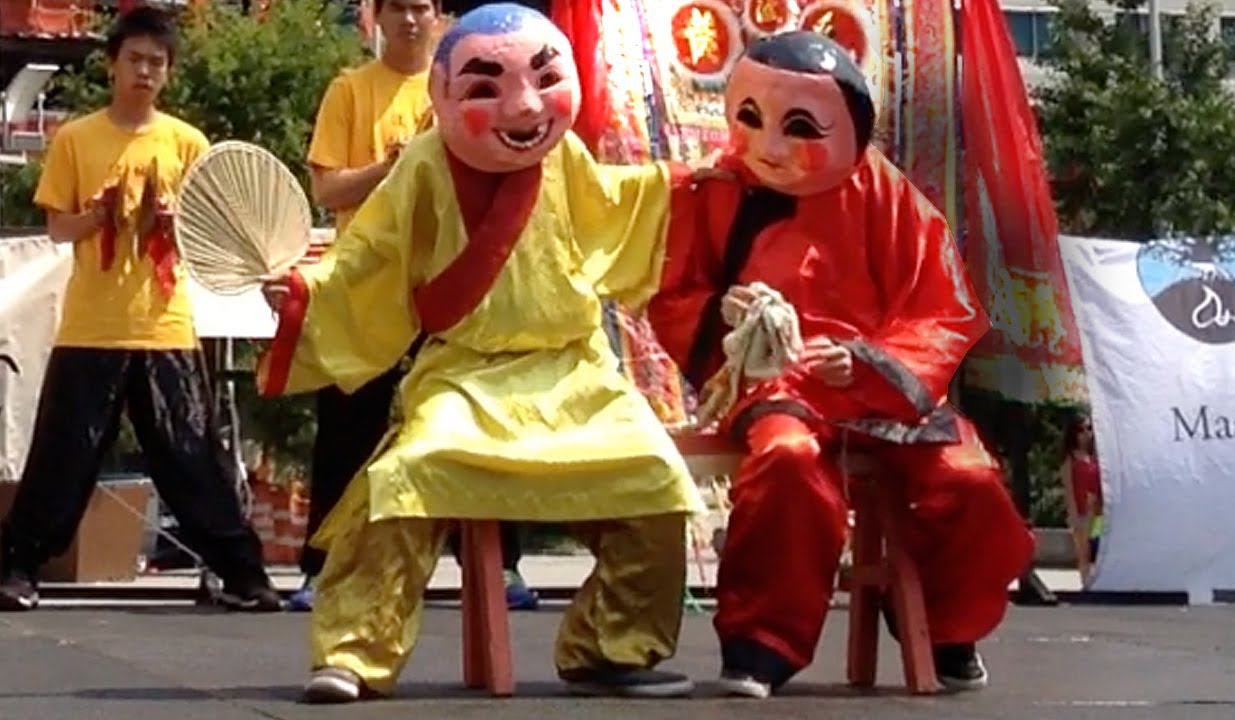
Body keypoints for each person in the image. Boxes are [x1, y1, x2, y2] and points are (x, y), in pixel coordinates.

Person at [257, 4, 706, 703]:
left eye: (543, 78)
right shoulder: (425, 163)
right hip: (465, 377)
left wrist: (690, 187)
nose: (523, 104)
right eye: (486, 86)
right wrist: (302, 294)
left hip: (575, 373)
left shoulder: (565, 154)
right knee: (404, 478)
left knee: (655, 479)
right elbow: (369, 253)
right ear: (444, 93)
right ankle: (354, 652)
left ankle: (608, 647)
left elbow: (615, 207)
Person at [648, 31, 1036, 698]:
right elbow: (674, 294)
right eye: (751, 119)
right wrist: (731, 316)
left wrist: (866, 361)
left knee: (970, 482)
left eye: (798, 129)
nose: (769, 146)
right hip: (778, 382)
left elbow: (942, 307)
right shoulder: (710, 190)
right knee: (788, 462)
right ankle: (761, 639)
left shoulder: (888, 197)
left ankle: (946, 624)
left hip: (880, 385)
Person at [0, 6, 281, 612]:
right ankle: (18, 566)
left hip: (165, 323)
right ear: (112, 66)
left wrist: (173, 223)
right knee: (64, 451)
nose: (145, 71)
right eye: (135, 59)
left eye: (157, 61)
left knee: (190, 450)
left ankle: (241, 571)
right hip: (91, 326)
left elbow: (207, 240)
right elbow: (57, 229)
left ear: (168, 72)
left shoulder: (186, 142)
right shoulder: (77, 137)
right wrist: (98, 215)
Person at [296, 0, 536, 612]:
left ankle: (499, 566)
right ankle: (325, 565)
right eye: (396, 6)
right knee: (351, 426)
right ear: (375, 16)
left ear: (440, 16)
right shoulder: (350, 92)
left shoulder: (469, 85)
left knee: (478, 416)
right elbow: (327, 188)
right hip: (370, 285)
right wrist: (394, 168)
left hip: (454, 280)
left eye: (421, 7)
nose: (410, 19)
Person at [1061, 412, 1102, 576]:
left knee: (1097, 550)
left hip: (1097, 511)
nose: (1086, 434)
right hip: (1081, 510)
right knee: (1083, 551)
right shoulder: (1070, 458)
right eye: (1082, 430)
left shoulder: (1094, 457)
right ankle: (1085, 581)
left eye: (1089, 429)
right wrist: (1073, 514)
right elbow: (1068, 487)